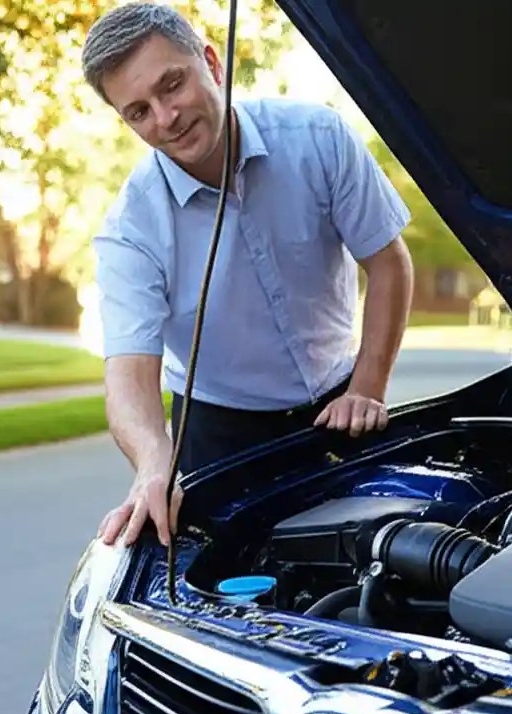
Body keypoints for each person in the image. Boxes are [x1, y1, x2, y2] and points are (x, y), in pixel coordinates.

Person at [80, 3, 414, 549]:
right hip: (220, 431)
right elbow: (128, 375)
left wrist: (368, 386)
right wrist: (153, 462)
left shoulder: (318, 137)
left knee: (378, 560)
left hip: (345, 403)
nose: (165, 118)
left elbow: (387, 260)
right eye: (139, 111)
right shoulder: (129, 229)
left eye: (172, 85)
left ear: (211, 62)